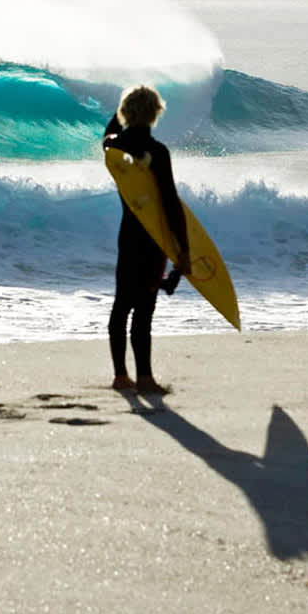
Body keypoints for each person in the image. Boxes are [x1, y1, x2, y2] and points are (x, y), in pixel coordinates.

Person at [103, 85, 190, 394]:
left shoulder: (114, 148)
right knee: (144, 310)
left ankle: (120, 376)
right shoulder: (158, 152)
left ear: (126, 113)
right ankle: (145, 378)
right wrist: (183, 252)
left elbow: (107, 134)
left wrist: (121, 111)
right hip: (153, 240)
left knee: (121, 305)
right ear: (156, 113)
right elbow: (170, 202)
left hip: (128, 237)